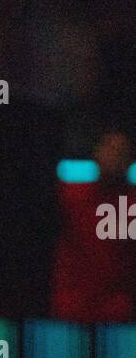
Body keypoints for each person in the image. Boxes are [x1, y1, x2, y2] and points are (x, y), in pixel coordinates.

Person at [51, 125, 136, 323]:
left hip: (118, 314)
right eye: (108, 148)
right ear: (95, 153)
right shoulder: (70, 196)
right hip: (71, 309)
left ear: (130, 159)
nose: (113, 156)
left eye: (120, 151)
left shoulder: (132, 204)